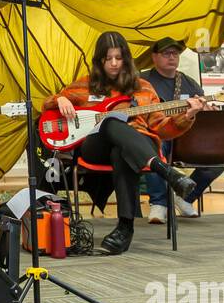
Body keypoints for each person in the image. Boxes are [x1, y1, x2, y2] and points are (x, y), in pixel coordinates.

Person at [45, 32, 205, 255]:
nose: (113, 63)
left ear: (126, 59)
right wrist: (59, 99)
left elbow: (162, 128)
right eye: (107, 58)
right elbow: (47, 106)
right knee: (110, 121)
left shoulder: (144, 87)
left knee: (121, 153)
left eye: (118, 58)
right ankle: (166, 171)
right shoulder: (85, 85)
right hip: (95, 146)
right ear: (99, 60)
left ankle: (125, 228)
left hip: (137, 146)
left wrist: (187, 116)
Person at [140, 37, 224, 222]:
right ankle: (159, 203)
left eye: (175, 53)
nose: (172, 57)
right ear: (154, 57)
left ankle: (186, 197)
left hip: (186, 139)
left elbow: (201, 107)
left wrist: (205, 109)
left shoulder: (188, 82)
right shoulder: (142, 80)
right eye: (166, 53)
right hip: (157, 136)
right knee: (154, 146)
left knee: (221, 155)